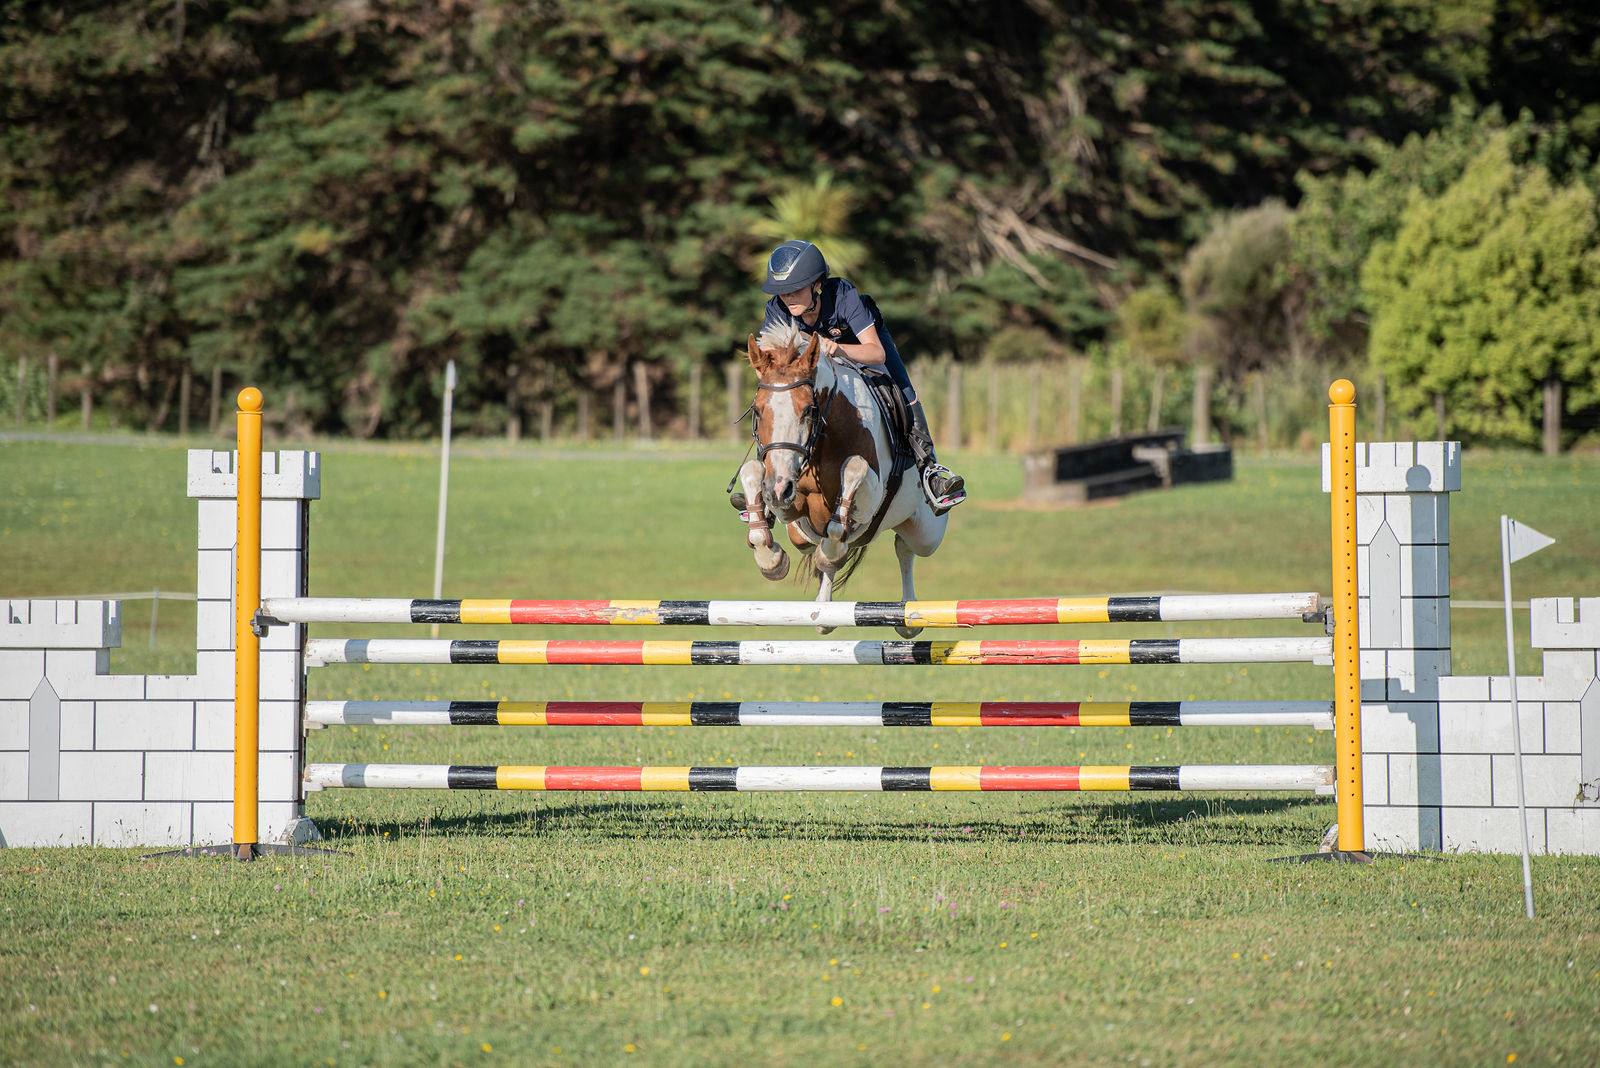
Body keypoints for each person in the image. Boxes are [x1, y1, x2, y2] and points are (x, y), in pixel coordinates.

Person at [733, 239, 966, 513]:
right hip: (819, 366)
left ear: (817, 284)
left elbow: (876, 353)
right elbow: (767, 363)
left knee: (902, 391)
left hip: (865, 348)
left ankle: (931, 473)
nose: (788, 298)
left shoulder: (843, 295)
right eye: (782, 292)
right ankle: (768, 485)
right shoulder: (777, 308)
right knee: (776, 401)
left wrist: (838, 348)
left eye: (795, 290)